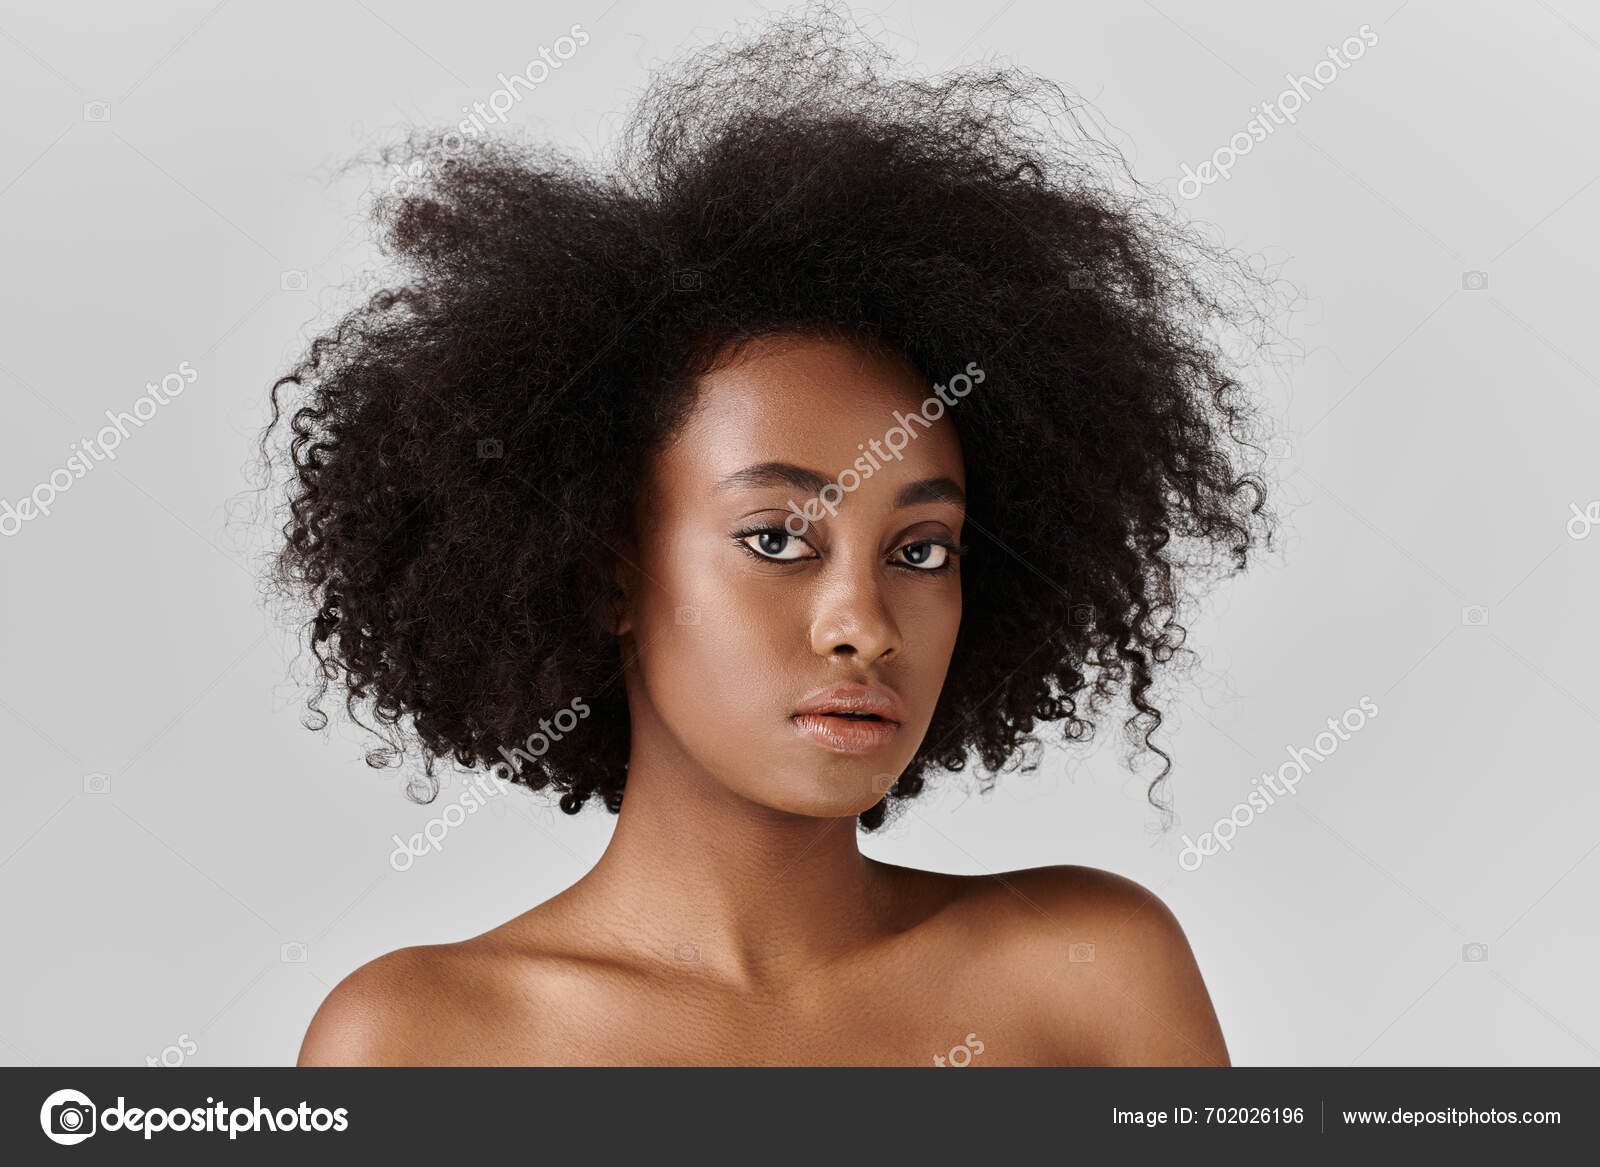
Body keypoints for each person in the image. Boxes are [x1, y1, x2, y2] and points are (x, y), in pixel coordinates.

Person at [275, 5, 1274, 1066]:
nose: (865, 628)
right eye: (777, 540)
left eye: (921, 550)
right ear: (610, 576)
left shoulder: (1089, 970)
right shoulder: (424, 1042)